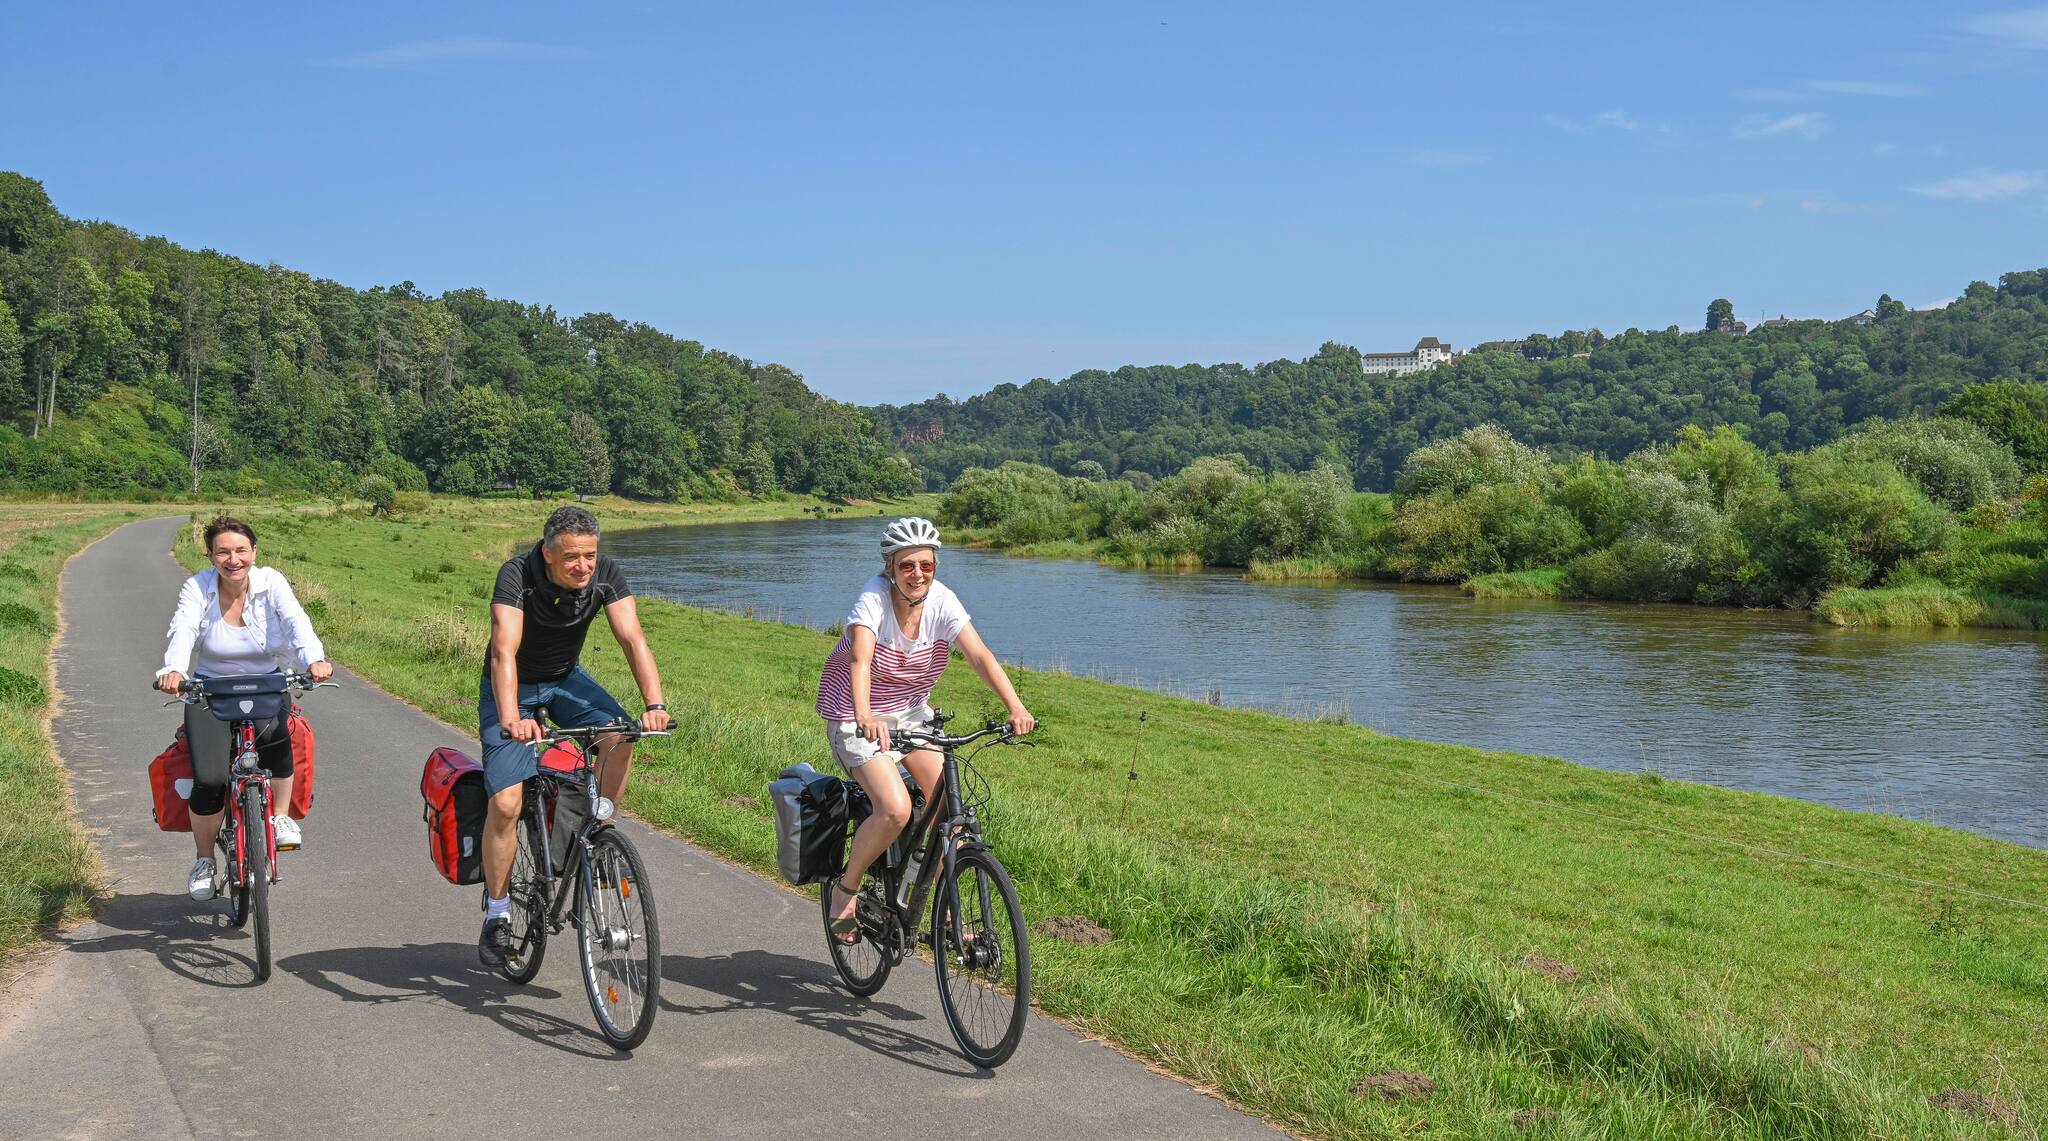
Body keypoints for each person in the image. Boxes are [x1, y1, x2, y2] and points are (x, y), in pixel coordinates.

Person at [818, 517, 1034, 942]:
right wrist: (865, 714)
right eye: (907, 565)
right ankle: (846, 889)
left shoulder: (942, 601)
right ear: (890, 567)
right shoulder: (872, 600)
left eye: (927, 565)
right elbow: (861, 661)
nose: (918, 574)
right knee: (895, 808)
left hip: (911, 713)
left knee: (950, 813)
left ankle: (941, 906)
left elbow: (979, 656)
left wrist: (1015, 705)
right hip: (854, 715)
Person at [477, 505, 671, 968]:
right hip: (513, 690)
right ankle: (497, 914)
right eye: (571, 557)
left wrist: (654, 705)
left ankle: (599, 829)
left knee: (620, 735)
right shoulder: (517, 576)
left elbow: (632, 638)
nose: (583, 566)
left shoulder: (605, 574)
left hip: (565, 680)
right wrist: (512, 718)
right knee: (506, 803)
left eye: (589, 555)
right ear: (548, 553)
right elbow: (504, 652)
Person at [155, 517, 334, 900]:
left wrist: (314, 660)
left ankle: (280, 817)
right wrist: (174, 670)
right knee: (210, 779)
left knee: (278, 742)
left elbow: (296, 621)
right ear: (210, 555)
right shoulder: (197, 587)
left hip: (265, 683)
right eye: (223, 552)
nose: (232, 559)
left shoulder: (272, 583)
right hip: (210, 689)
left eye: (240, 550)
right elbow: (183, 628)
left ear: (254, 551)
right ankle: (205, 860)